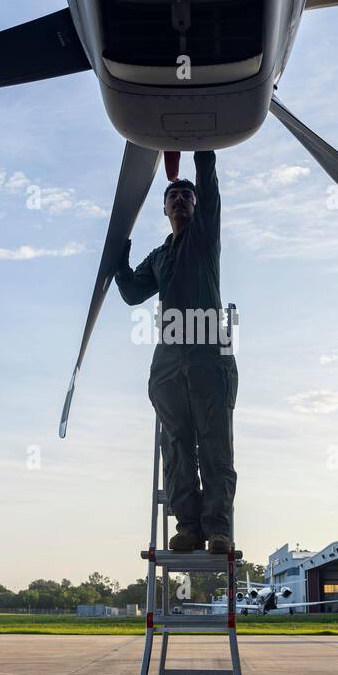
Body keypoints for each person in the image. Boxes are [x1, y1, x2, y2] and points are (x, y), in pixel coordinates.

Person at [116, 150, 237, 554]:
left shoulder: (203, 236)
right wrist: (119, 255)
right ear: (165, 208)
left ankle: (217, 529)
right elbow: (132, 292)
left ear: (197, 206)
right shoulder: (159, 256)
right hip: (169, 357)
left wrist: (199, 142)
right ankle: (188, 526)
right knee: (177, 444)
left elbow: (207, 180)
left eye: (187, 195)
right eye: (174, 196)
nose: (181, 199)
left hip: (209, 352)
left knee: (214, 443)